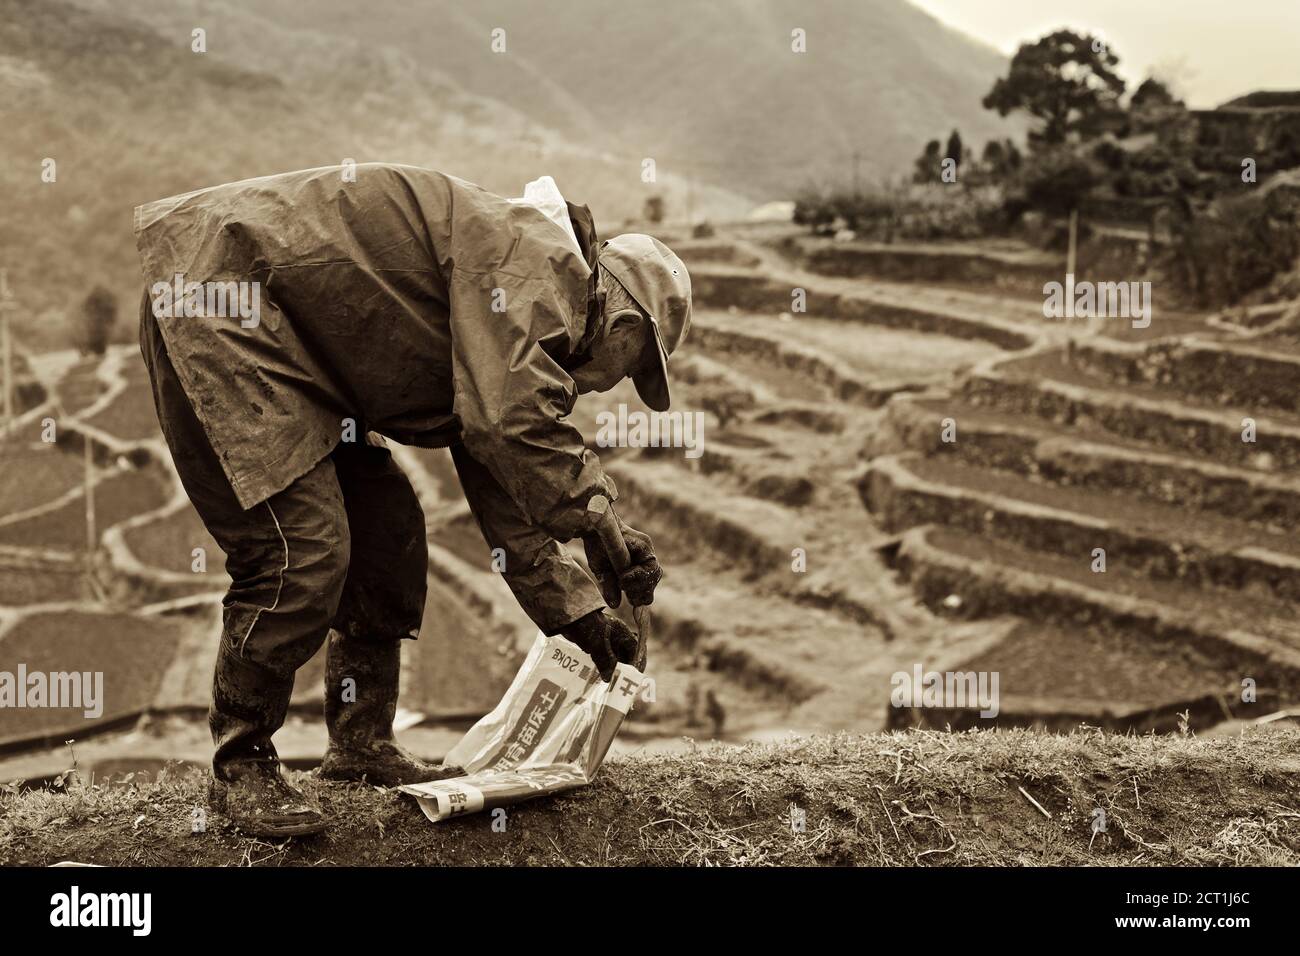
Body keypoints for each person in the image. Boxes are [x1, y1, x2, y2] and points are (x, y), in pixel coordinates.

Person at [133, 164, 692, 836]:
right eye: (629, 371)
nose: (610, 387)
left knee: (388, 531)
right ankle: (241, 762)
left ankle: (360, 745)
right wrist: (605, 528)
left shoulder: (525, 313)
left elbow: (506, 488)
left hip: (298, 361)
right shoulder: (542, 270)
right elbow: (512, 426)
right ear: (626, 327)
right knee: (300, 550)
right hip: (219, 302)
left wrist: (582, 618)